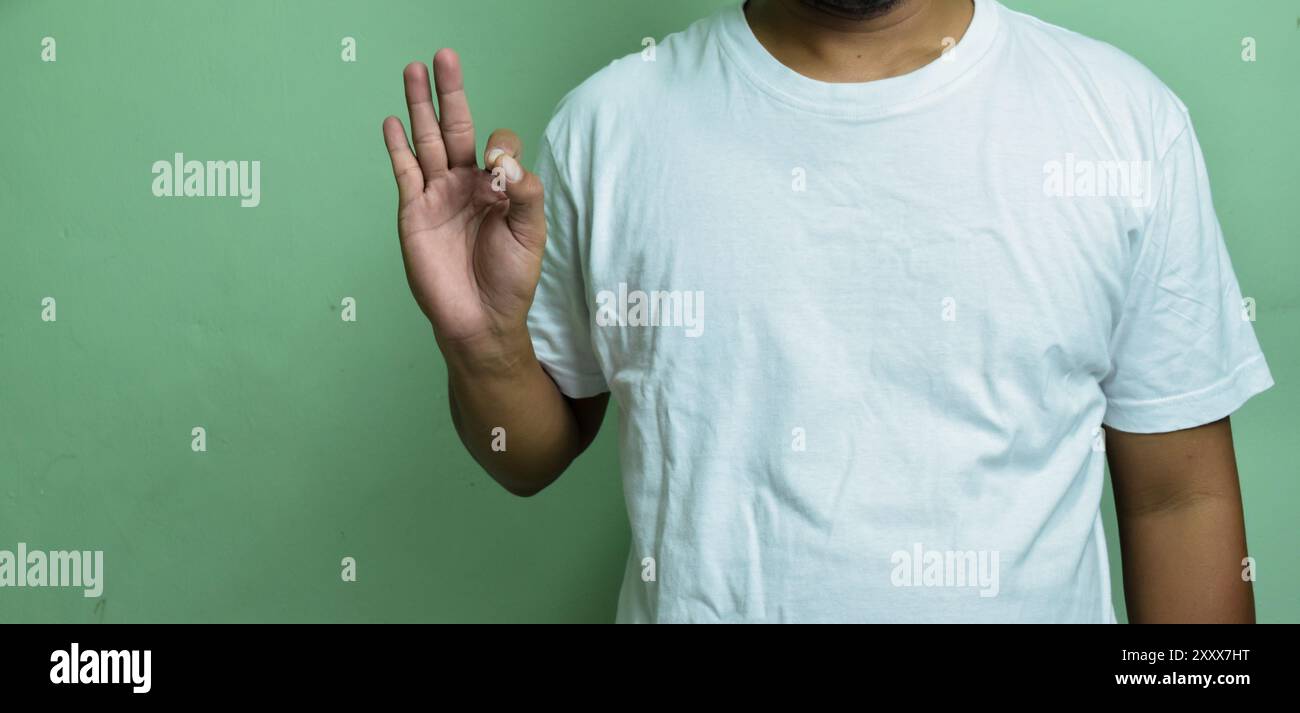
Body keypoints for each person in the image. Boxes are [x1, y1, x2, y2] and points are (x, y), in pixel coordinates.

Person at [379, 0, 1273, 623]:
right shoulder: (611, 127)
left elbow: (1179, 498)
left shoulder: (1121, 126)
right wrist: (484, 346)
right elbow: (530, 456)